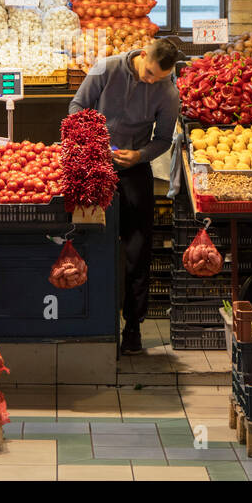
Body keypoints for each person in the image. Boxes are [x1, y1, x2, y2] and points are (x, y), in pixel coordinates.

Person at [69, 37, 182, 356]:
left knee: (137, 247)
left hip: (133, 167)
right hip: (94, 161)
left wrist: (140, 155)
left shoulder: (168, 91)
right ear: (143, 54)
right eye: (149, 73)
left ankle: (133, 326)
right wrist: (93, 141)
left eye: (158, 78)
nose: (151, 81)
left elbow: (162, 139)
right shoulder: (106, 67)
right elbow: (77, 107)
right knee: (89, 239)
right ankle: (87, 320)